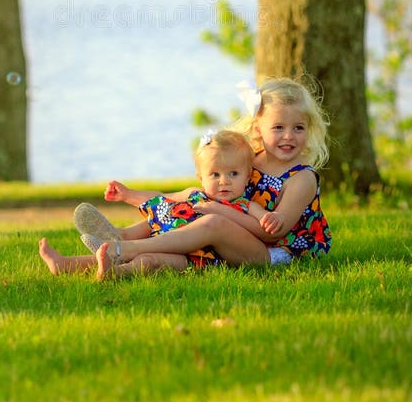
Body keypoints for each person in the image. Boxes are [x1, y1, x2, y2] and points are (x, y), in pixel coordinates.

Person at [39, 76, 331, 280]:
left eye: (298, 128)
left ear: (310, 129)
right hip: (232, 242)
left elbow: (271, 234)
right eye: (278, 127)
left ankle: (125, 246)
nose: (288, 136)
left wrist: (219, 210)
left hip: (271, 254)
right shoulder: (249, 159)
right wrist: (129, 194)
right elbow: (205, 194)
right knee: (186, 211)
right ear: (258, 129)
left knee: (212, 219)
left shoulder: (301, 178)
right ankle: (78, 265)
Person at [39, 129, 266, 278]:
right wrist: (128, 194)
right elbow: (158, 197)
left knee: (147, 262)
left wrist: (271, 219)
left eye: (233, 174)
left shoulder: (246, 205)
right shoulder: (194, 193)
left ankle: (115, 268)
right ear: (201, 177)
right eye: (215, 175)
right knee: (167, 208)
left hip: (199, 258)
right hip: (167, 240)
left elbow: (260, 230)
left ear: (247, 176)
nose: (224, 181)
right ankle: (67, 264)